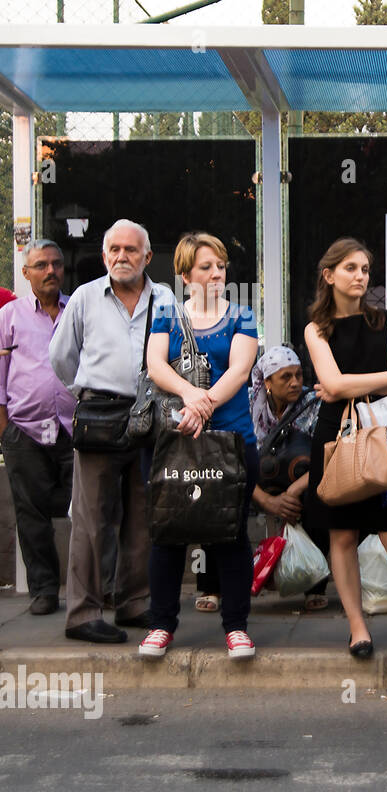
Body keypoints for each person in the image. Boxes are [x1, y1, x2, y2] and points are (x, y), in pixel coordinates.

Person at [302, 238, 387, 659]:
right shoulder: (316, 328)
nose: (360, 276)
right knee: (342, 535)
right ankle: (357, 629)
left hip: (385, 431)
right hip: (337, 435)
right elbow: (343, 384)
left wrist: (352, 383)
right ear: (329, 275)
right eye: (351, 269)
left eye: (365, 269)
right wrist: (386, 377)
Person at [49, 219, 177, 644]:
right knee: (90, 520)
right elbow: (61, 357)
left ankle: (134, 602)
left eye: (131, 249)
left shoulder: (164, 297)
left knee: (143, 517)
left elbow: (174, 353)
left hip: (149, 418)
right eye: (115, 249)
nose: (122, 256)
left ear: (146, 256)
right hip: (99, 419)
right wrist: (87, 393)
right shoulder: (85, 297)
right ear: (105, 256)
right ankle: (83, 613)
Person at [137, 233, 259, 659]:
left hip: (232, 441)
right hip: (174, 442)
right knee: (167, 535)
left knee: (231, 534)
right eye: (206, 267)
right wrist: (191, 397)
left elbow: (239, 371)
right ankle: (160, 625)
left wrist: (202, 406)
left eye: (220, 266)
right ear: (186, 274)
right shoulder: (167, 314)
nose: (216, 274)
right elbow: (155, 366)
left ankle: (237, 627)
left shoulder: (242, 315)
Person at [193, 346, 331, 613]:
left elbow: (327, 453)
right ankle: (212, 587)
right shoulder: (244, 405)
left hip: (297, 482)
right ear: (267, 381)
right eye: (285, 377)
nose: (295, 382)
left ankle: (315, 584)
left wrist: (293, 491)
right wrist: (265, 500)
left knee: (320, 497)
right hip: (252, 484)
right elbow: (230, 457)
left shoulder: (313, 404)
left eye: (298, 375)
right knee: (215, 496)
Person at [0, 240, 75, 615]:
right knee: (31, 515)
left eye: (56, 264)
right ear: (26, 273)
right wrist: (4, 428)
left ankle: (99, 587)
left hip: (76, 429)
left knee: (94, 511)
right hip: (24, 430)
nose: (50, 271)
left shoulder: (77, 311)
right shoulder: (9, 315)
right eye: (41, 265)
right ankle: (44, 590)